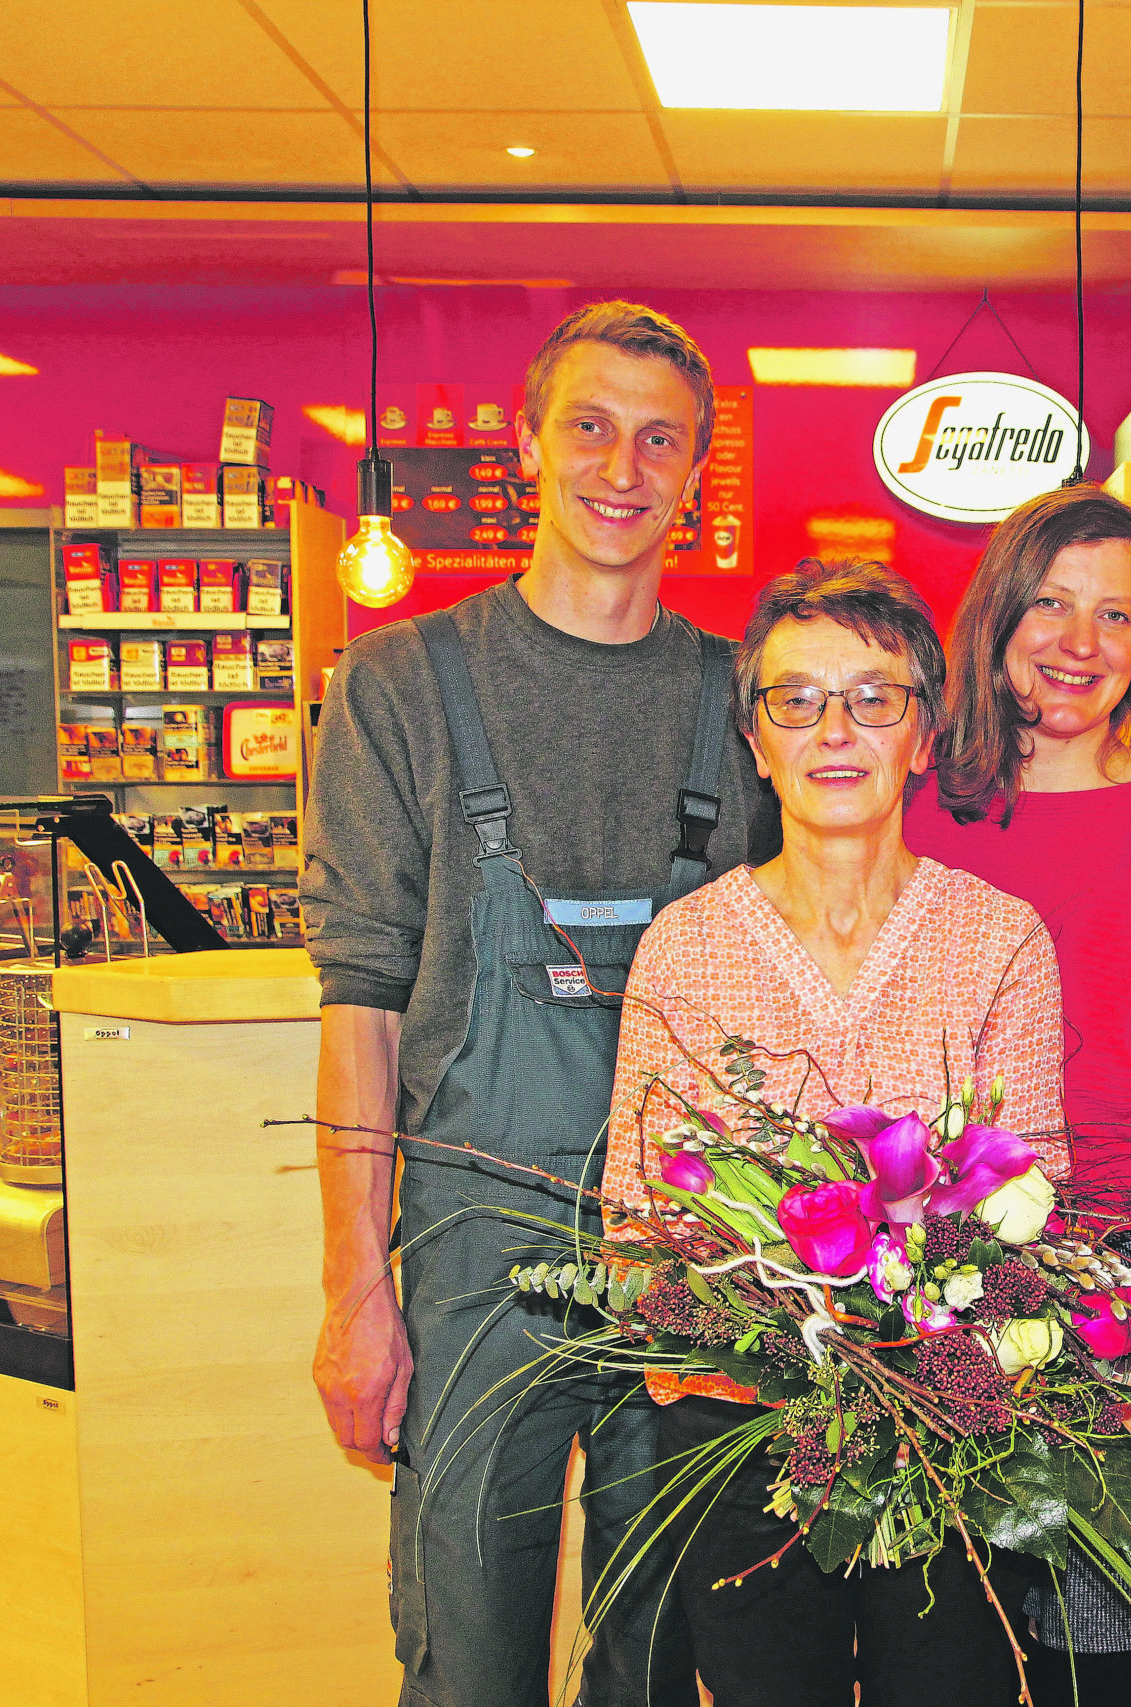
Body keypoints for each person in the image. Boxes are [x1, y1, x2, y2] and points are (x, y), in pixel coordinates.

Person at [303, 301, 775, 1707]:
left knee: (656, 1649)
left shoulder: (740, 697)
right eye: (589, 424)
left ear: (696, 473)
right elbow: (361, 1007)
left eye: (659, 440)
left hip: (690, 1258)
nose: (621, 467)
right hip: (469, 1263)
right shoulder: (399, 685)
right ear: (525, 444)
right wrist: (355, 1291)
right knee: (470, 1644)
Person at [603, 558, 1068, 1707]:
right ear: (755, 742)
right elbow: (636, 1217)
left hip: (947, 1436)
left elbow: (1037, 1198)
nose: (834, 731)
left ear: (922, 732)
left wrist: (922, 1334)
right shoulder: (685, 947)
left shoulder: (1001, 939)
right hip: (740, 1439)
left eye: (874, 697)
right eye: (794, 700)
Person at [902, 483, 1131, 1703]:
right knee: (961, 1649)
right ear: (998, 616)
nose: (1078, 643)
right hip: (939, 1292)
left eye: (1115, 617)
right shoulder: (921, 818)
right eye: (1052, 605)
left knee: (1125, 1653)